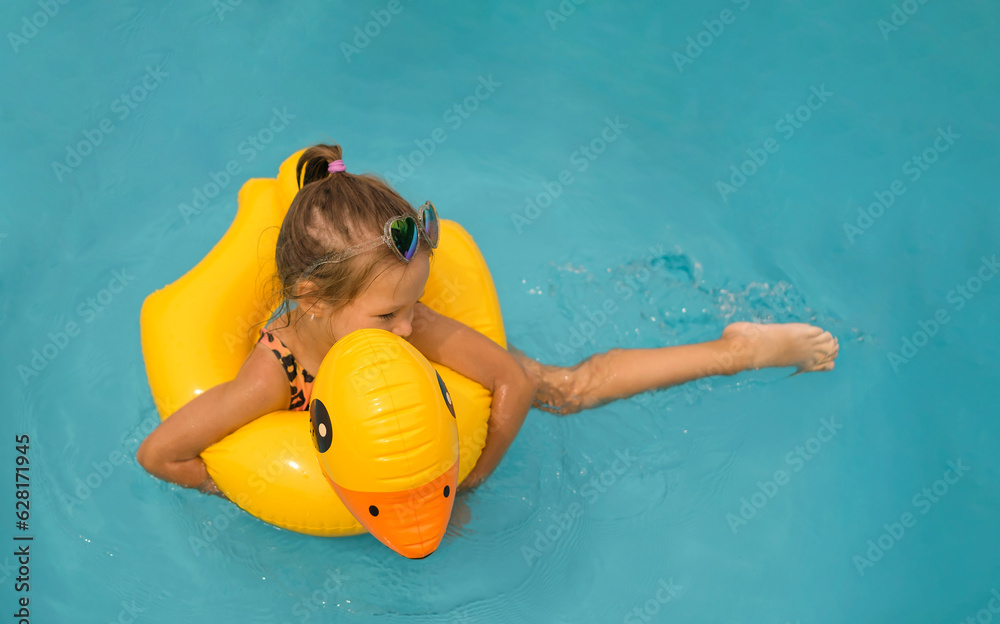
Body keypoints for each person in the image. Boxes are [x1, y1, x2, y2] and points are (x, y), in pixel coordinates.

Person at [136, 143, 839, 499]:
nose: (412, 326)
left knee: (568, 386)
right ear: (314, 302)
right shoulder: (274, 375)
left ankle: (732, 349)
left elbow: (510, 381)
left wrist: (468, 478)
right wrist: (257, 487)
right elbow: (160, 454)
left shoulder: (413, 327)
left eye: (414, 304)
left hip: (458, 406)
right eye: (389, 314)